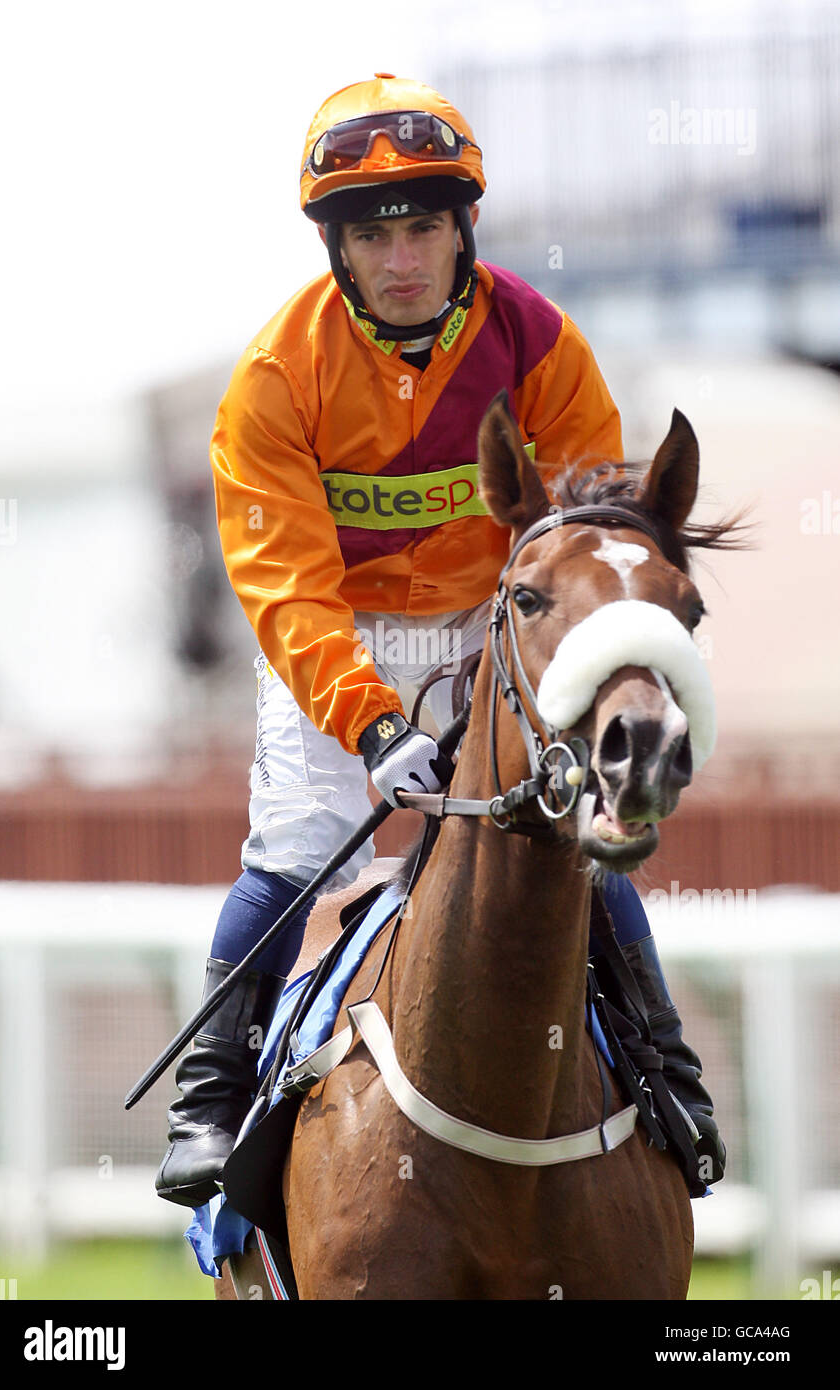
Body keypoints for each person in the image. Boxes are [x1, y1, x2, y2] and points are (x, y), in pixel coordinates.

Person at [155, 73, 724, 1208]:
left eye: (423, 227)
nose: (402, 257)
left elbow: (581, 533)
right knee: (298, 840)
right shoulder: (274, 376)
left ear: (464, 228)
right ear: (338, 249)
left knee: (567, 817)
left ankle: (664, 1065)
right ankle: (208, 1096)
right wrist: (368, 716)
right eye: (373, 234)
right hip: (341, 635)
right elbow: (283, 586)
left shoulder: (541, 341)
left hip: (494, 620)